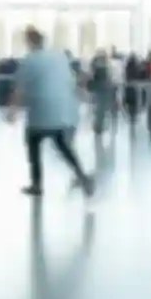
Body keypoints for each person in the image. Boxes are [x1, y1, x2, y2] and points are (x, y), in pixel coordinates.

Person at [9, 26, 94, 198]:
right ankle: (82, 176)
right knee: (63, 146)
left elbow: (20, 89)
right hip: (61, 111)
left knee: (33, 144)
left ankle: (37, 184)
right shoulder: (59, 57)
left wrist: (13, 110)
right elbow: (72, 81)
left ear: (29, 42)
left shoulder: (29, 60)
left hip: (40, 112)